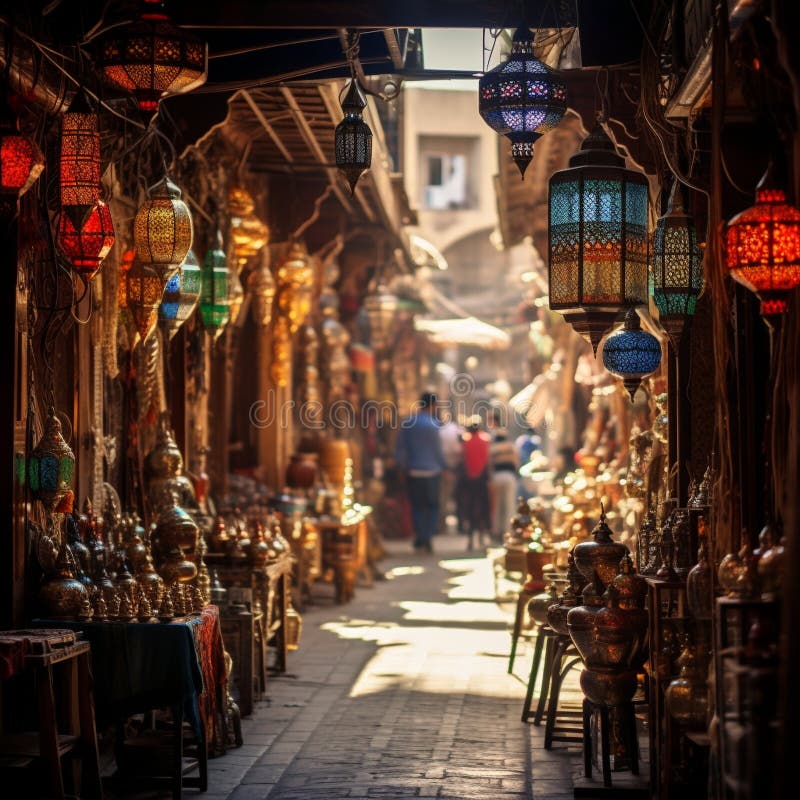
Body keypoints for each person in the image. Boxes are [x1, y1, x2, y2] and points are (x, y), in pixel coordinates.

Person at [395, 392, 446, 553]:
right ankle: (427, 536)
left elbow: (400, 449)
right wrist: (444, 467)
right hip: (432, 472)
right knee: (432, 506)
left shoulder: (409, 423)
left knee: (417, 506)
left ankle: (420, 536)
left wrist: (401, 467)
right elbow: (439, 451)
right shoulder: (434, 425)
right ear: (432, 406)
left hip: (414, 472)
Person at [457, 416, 491, 550]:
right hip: (482, 479)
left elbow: (463, 459)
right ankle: (482, 536)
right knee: (483, 507)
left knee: (469, 508)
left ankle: (470, 538)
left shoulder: (466, 442)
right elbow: (488, 461)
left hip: (469, 480)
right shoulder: (485, 440)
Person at [489, 425, 519, 540]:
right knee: (509, 505)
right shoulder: (511, 447)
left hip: (497, 477)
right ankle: (508, 530)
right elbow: (516, 463)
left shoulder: (493, 448)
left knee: (497, 506)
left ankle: (496, 530)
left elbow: (490, 466)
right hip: (509, 477)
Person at [438, 414, 463, 533]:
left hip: (440, 469)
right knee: (456, 498)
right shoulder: (457, 431)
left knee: (442, 499)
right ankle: (460, 525)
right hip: (454, 469)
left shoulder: (440, 431)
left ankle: (440, 526)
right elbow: (458, 450)